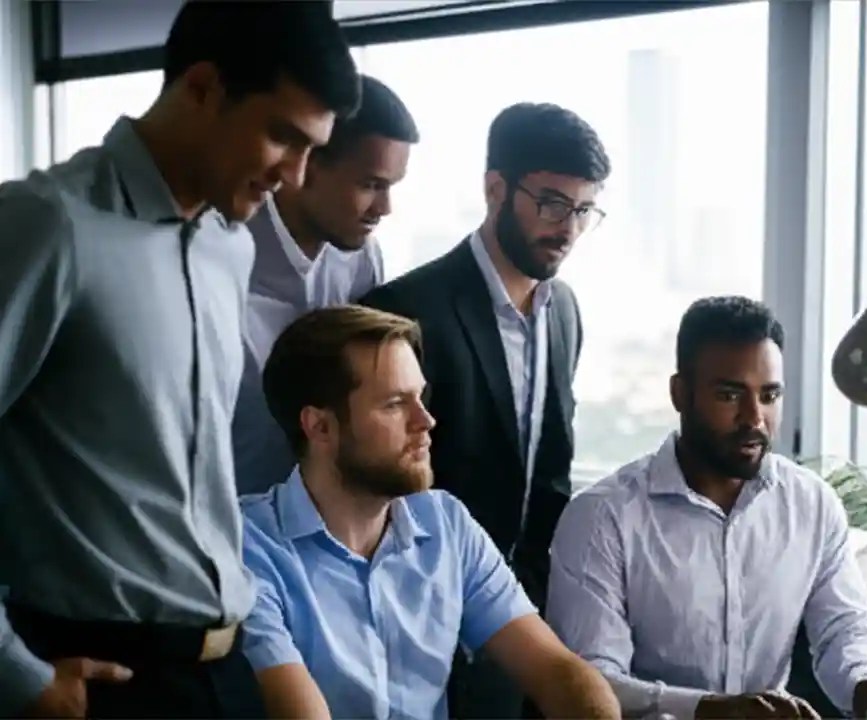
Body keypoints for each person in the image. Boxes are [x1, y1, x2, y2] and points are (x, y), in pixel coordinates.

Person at [0, 2, 360, 717]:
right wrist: (15, 675)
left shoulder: (231, 248)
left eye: (313, 151)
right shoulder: (49, 225)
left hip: (222, 672)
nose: (294, 175)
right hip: (96, 679)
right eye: (283, 138)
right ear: (202, 88)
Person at [238, 305, 621, 720]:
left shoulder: (445, 525)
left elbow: (557, 670)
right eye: (394, 404)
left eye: (420, 397)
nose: (426, 420)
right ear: (320, 428)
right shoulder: (249, 547)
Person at [360, 102, 610, 717]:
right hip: (421, 620)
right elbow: (377, 481)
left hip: (523, 621)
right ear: (495, 189)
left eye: (584, 210)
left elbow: (550, 466)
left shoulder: (565, 311)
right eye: (551, 204)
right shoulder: (407, 309)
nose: (568, 228)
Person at [547, 296, 867, 720]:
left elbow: (844, 631)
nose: (754, 418)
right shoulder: (602, 518)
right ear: (679, 393)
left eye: (769, 395)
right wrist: (707, 711)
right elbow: (591, 680)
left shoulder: (812, 506)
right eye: (730, 395)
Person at [234, 73, 419, 495]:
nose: (385, 208)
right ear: (306, 166)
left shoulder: (361, 257)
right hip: (231, 522)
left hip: (326, 520)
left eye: (392, 187)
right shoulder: (223, 258)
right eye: (371, 185)